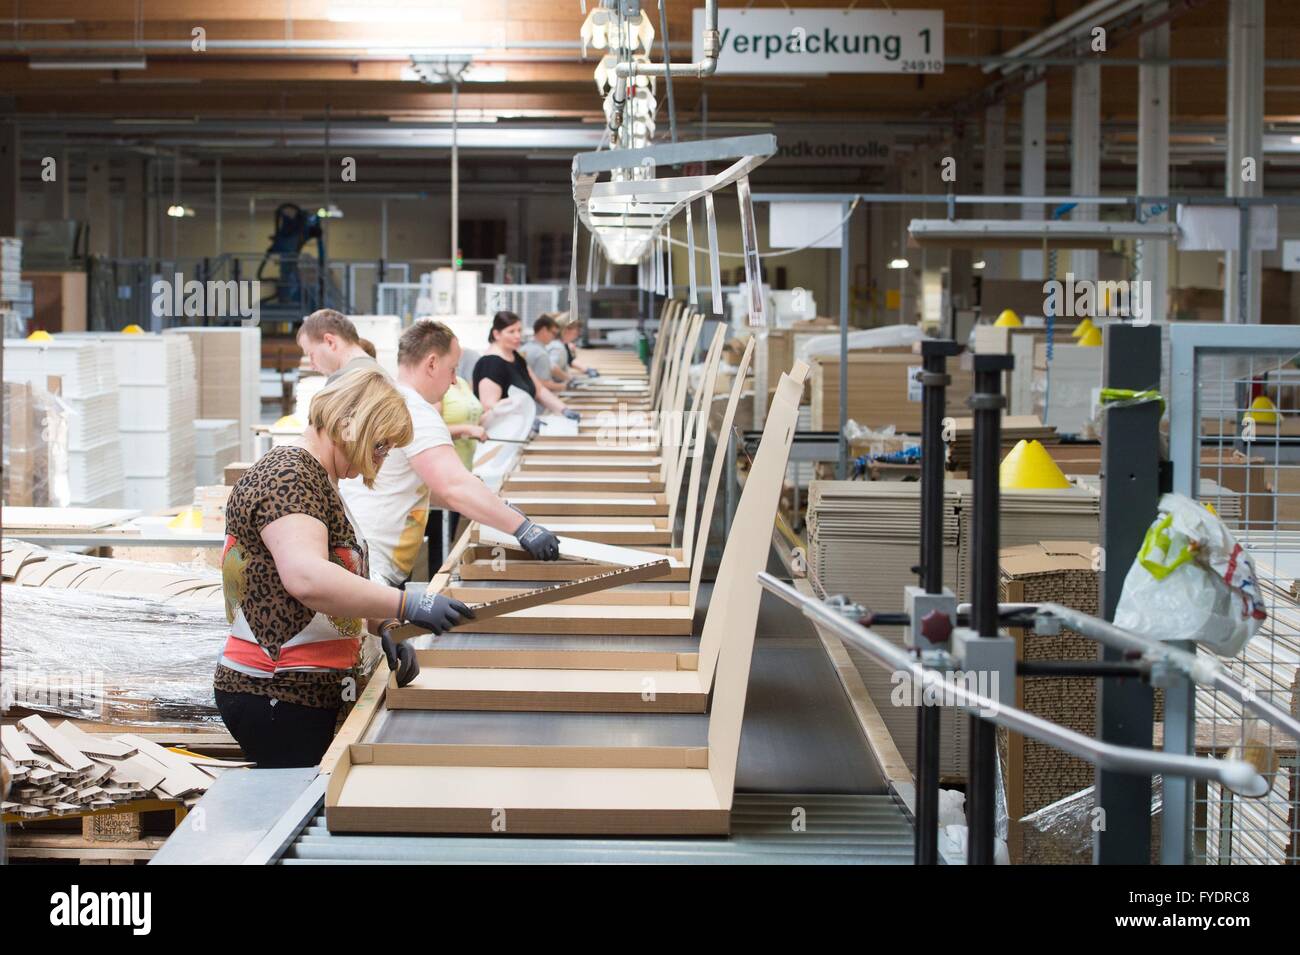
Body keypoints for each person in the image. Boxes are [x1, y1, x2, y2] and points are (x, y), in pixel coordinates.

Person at [214, 369, 474, 768]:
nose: (382, 459)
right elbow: (307, 578)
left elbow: (342, 581)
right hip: (278, 694)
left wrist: (385, 624)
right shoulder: (289, 475)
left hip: (307, 691)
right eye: (381, 445)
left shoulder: (320, 478)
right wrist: (408, 604)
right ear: (351, 426)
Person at [340, 320, 562, 587]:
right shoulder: (415, 411)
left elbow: (420, 487)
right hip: (373, 562)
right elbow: (453, 486)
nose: (455, 379)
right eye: (452, 369)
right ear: (432, 364)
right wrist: (522, 528)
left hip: (363, 550)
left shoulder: (386, 399)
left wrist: (496, 508)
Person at [472, 310, 578, 419]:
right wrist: (522, 420)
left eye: (519, 330)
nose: (518, 336)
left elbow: (539, 390)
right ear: (497, 334)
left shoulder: (516, 357)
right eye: (511, 331)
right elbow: (489, 407)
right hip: (503, 432)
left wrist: (563, 409)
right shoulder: (490, 364)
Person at [297, 308, 382, 383]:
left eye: (311, 354)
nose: (312, 366)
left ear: (330, 342)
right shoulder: (382, 375)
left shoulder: (341, 383)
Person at [520, 313, 567, 392]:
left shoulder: (523, 348)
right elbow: (542, 384)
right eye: (553, 333)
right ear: (544, 330)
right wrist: (565, 386)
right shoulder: (541, 354)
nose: (554, 337)